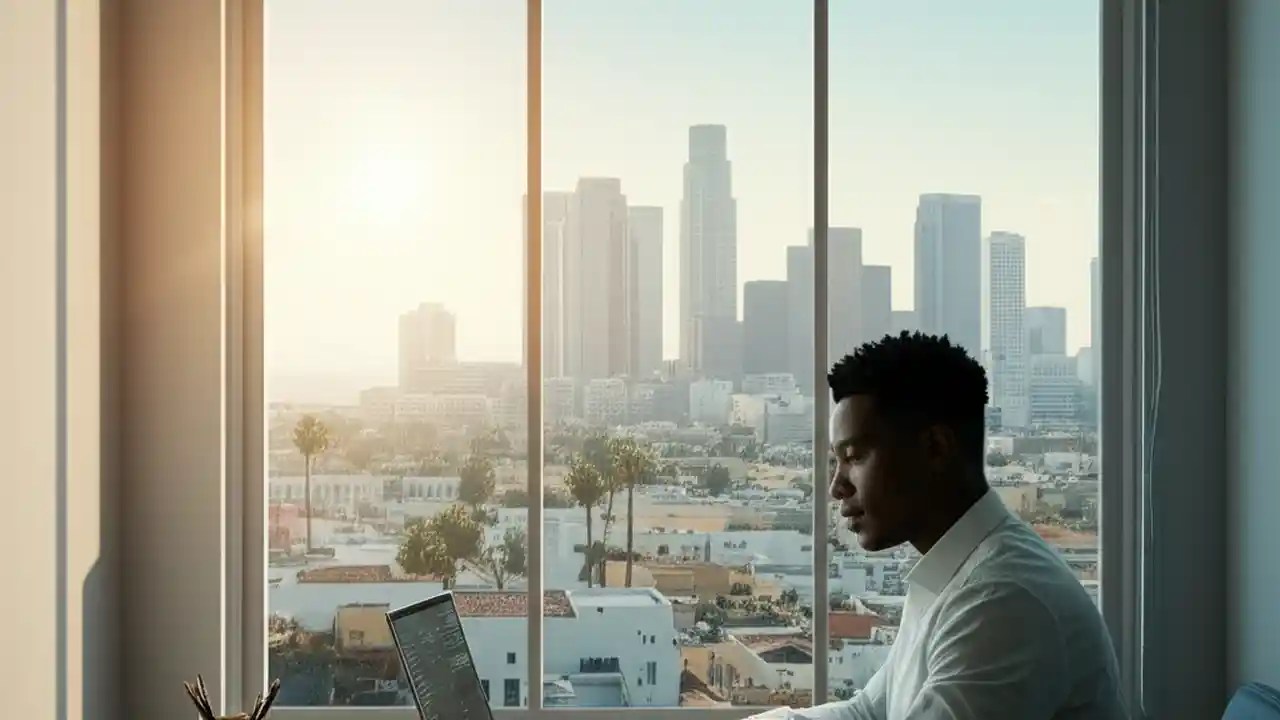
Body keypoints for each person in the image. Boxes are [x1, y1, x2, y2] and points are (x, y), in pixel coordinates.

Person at [761, 332, 1125, 720]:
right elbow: (869, 711)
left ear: (935, 447)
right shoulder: (954, 575)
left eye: (854, 456)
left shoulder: (1000, 601)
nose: (837, 486)